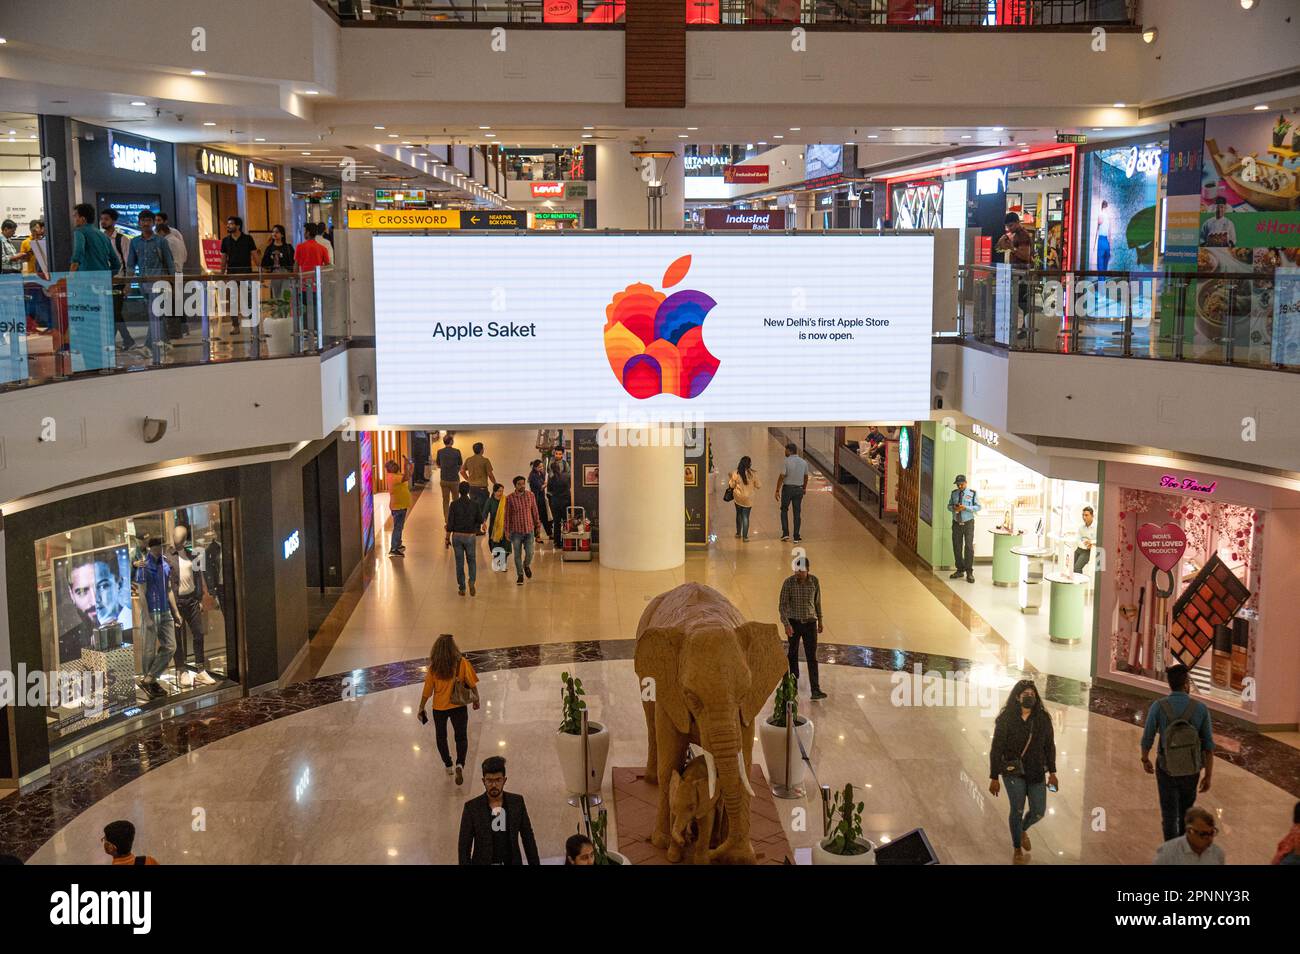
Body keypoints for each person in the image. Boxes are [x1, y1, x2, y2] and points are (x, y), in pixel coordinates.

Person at [1140, 664, 1214, 842]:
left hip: (1166, 768)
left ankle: (1171, 852)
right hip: (1192, 769)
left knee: (1169, 814)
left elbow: (1148, 736)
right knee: (1187, 813)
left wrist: (1145, 758)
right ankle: (1184, 850)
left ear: (1169, 684)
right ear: (1187, 683)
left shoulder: (1159, 707)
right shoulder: (1200, 709)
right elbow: (1209, 746)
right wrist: (1208, 775)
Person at [988, 679, 1058, 865]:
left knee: (1038, 811)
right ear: (1017, 697)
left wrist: (1052, 772)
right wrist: (994, 776)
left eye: (1032, 694)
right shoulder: (1006, 719)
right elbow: (996, 749)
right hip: (1013, 773)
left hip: (1036, 772)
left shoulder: (1042, 719)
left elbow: (1049, 746)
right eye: (1026, 694)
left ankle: (1023, 829)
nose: (1029, 697)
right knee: (1017, 810)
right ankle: (1017, 847)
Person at [417, 633, 479, 783]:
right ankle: (460, 764)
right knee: (461, 736)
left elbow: (427, 691)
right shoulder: (461, 663)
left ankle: (448, 765)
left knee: (441, 737)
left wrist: (421, 707)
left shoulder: (434, 668)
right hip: (458, 705)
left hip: (439, 708)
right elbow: (471, 683)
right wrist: (476, 699)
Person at [458, 756, 540, 865]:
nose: (494, 785)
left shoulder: (517, 802)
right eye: (489, 780)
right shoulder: (472, 808)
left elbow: (528, 838)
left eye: (498, 780)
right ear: (483, 781)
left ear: (504, 780)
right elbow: (464, 848)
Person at [59, 555, 133, 663]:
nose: (94, 601)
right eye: (82, 591)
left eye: (103, 586)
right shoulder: (67, 644)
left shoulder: (137, 628)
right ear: (71, 595)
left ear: (119, 583)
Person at [133, 536, 181, 699]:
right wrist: (146, 617)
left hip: (165, 611)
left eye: (162, 546)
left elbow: (168, 590)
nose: (160, 549)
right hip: (151, 611)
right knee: (148, 648)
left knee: (170, 646)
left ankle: (150, 677)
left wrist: (175, 612)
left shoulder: (165, 564)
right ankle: (150, 681)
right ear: (152, 548)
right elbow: (141, 593)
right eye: (158, 547)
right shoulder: (144, 566)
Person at [166, 524, 215, 687]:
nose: (177, 541)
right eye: (175, 538)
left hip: (192, 600)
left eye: (180, 539)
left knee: (199, 633)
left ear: (185, 539)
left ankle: (200, 670)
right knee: (178, 638)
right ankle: (182, 670)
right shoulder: (167, 557)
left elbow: (198, 577)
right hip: (177, 602)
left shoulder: (192, 555)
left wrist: (200, 598)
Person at [126, 210, 176, 352]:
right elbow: (131, 264)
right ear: (139, 222)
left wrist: (173, 284)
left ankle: (149, 346)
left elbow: (170, 264)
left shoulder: (161, 241)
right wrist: (128, 283)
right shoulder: (135, 242)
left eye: (148, 220)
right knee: (156, 314)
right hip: (144, 285)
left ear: (154, 223)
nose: (145, 223)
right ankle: (165, 342)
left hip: (159, 283)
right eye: (143, 220)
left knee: (154, 313)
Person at [778, 555, 825, 700]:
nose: (798, 574)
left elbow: (817, 602)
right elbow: (783, 605)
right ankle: (792, 686)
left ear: (808, 570)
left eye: (801, 571)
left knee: (812, 656)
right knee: (792, 654)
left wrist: (820, 620)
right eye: (796, 571)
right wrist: (786, 624)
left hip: (810, 623)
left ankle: (815, 689)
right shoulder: (789, 583)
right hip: (794, 623)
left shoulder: (814, 581)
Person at [98, 209, 136, 350]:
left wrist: (128, 284)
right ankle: (123, 341)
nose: (103, 221)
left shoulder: (122, 239)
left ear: (114, 221)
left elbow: (128, 262)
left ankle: (123, 340)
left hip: (118, 281)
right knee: (111, 313)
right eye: (102, 219)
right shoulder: (100, 238)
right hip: (103, 282)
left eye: (106, 219)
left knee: (115, 312)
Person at [1153, 806, 1225, 865]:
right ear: (1190, 831)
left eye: (1212, 833)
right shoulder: (1167, 853)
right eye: (1203, 834)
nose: (1210, 839)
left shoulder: (1217, 853)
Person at [505, 475, 543, 585]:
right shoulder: (510, 498)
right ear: (515, 486)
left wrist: (537, 527)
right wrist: (506, 531)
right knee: (517, 555)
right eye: (519, 484)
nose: (522, 486)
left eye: (523, 483)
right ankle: (520, 575)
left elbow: (535, 511)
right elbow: (507, 516)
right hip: (516, 531)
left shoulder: (530, 495)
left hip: (529, 529)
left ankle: (526, 565)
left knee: (530, 553)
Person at [447, 482, 484, 596]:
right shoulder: (474, 504)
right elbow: (480, 519)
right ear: (468, 491)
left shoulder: (453, 504)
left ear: (459, 491)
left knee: (459, 563)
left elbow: (450, 523)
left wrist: (447, 538)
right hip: (470, 536)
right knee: (471, 560)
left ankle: (462, 588)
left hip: (457, 536)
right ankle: (472, 581)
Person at [947, 474, 981, 583]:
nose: (960, 486)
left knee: (969, 547)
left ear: (966, 483)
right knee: (957, 546)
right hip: (956, 523)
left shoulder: (972, 493)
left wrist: (965, 508)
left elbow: (978, 507)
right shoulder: (954, 493)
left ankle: (969, 572)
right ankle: (960, 569)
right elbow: (949, 506)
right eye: (958, 484)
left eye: (961, 484)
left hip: (968, 523)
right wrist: (954, 508)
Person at [19, 219, 51, 332]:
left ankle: (48, 324)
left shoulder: (46, 241)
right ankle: (30, 325)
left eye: (39, 227)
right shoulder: (26, 242)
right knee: (32, 301)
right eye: (36, 228)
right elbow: (24, 259)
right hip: (31, 275)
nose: (38, 230)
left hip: (43, 275)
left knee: (45, 300)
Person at [774, 442, 809, 543]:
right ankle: (796, 536)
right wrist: (804, 488)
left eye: (786, 450)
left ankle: (785, 534)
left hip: (788, 489)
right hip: (799, 489)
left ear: (790, 451)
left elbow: (782, 476)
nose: (784, 451)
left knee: (784, 509)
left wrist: (777, 490)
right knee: (797, 512)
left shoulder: (786, 461)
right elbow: (806, 477)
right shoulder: (803, 462)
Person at [435, 433, 464, 546]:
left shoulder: (440, 452)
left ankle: (447, 521)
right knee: (456, 500)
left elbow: (438, 464)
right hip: (454, 480)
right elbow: (460, 464)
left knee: (445, 501)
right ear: (451, 442)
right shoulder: (457, 452)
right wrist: (455, 469)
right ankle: (456, 518)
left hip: (444, 479)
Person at [727, 455, 760, 542]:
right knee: (746, 516)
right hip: (748, 499)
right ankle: (745, 537)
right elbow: (759, 485)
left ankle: (738, 533)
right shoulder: (753, 474)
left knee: (739, 514)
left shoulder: (736, 473)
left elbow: (731, 485)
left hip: (738, 498)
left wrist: (730, 478)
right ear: (749, 464)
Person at [260, 224, 295, 305]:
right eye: (273, 232)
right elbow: (264, 263)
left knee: (285, 297)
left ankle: (285, 315)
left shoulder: (288, 247)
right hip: (274, 274)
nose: (274, 234)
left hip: (286, 274)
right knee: (276, 297)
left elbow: (293, 262)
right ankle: (277, 315)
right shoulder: (269, 248)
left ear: (282, 234)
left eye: (277, 232)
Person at [462, 441, 496, 522]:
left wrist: (468, 479)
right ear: (481, 450)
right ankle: (477, 528)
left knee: (473, 507)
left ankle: (474, 526)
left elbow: (462, 471)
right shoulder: (485, 460)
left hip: (471, 488)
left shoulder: (469, 460)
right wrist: (495, 483)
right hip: (482, 489)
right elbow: (490, 474)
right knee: (482, 509)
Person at [385, 457, 412, 557]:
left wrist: (409, 466)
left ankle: (398, 544)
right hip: (398, 507)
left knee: (400, 527)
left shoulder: (396, 475)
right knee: (397, 527)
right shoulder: (393, 477)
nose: (396, 465)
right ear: (389, 468)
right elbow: (406, 477)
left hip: (401, 506)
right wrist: (406, 466)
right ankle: (394, 548)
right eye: (393, 465)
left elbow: (408, 476)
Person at [547, 457, 571, 547]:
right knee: (566, 521)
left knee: (557, 523)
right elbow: (569, 487)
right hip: (565, 502)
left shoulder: (551, 479)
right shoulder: (566, 476)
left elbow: (549, 491)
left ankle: (557, 542)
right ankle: (567, 541)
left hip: (555, 502)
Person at [528, 459, 552, 542]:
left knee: (545, 517)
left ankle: (549, 533)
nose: (541, 468)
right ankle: (537, 536)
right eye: (539, 467)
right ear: (535, 467)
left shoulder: (541, 473)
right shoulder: (533, 476)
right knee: (536, 518)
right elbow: (540, 487)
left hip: (541, 498)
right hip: (536, 499)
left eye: (542, 466)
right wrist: (547, 483)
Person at [1073, 505, 1097, 575]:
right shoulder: (1081, 527)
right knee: (1070, 565)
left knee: (1077, 567)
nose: (1084, 517)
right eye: (1083, 515)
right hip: (1080, 549)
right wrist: (1085, 545)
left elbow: (1101, 539)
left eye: (1086, 515)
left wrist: (1092, 542)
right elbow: (1078, 539)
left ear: (1092, 516)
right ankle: (1074, 582)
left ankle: (1079, 584)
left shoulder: (1097, 527)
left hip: (1089, 551)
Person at [1094, 199, 1113, 272]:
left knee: (1100, 263)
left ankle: (1101, 282)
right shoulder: (1108, 217)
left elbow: (1099, 223)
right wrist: (1110, 248)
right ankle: (1103, 281)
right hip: (1107, 242)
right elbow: (1110, 233)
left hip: (1101, 240)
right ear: (1106, 207)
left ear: (1102, 207)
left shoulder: (1100, 214)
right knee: (1105, 263)